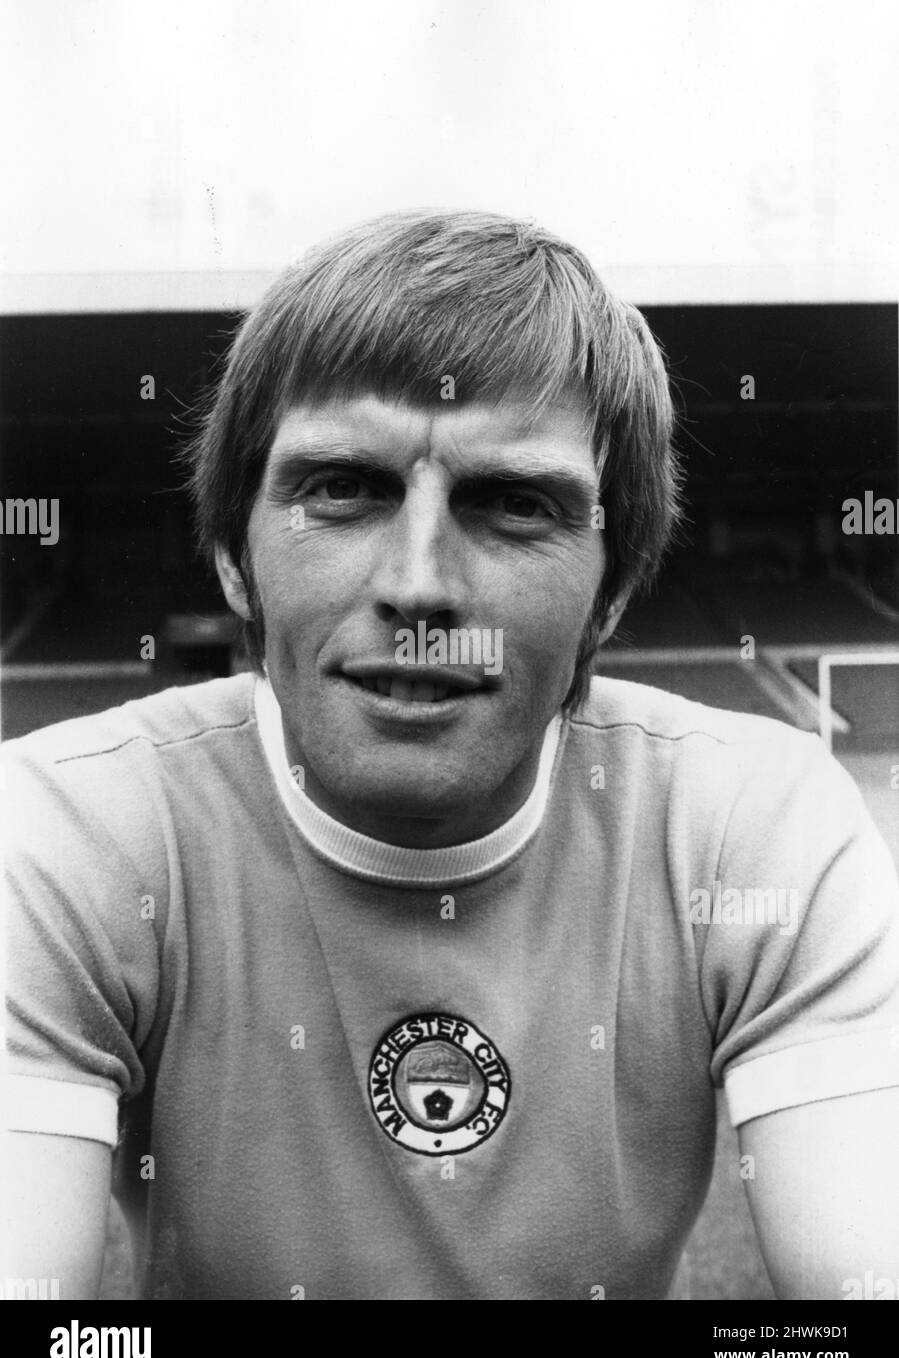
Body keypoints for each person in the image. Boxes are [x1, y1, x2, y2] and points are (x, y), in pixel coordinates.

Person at [4, 210, 898, 1301]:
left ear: (611, 591)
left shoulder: (753, 830)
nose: (419, 586)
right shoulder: (71, 830)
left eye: (512, 503)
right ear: (236, 562)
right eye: (342, 487)